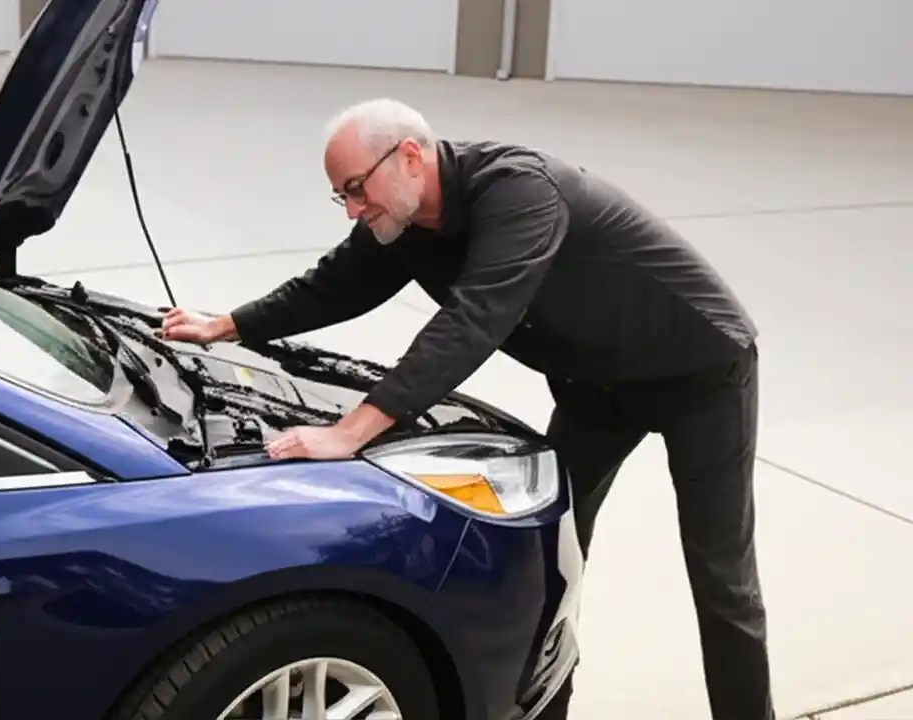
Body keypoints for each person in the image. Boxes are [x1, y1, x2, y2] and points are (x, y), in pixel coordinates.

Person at [158, 98, 772, 719]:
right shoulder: (398, 223)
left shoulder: (519, 192)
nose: (351, 208)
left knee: (721, 581)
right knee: (547, 564)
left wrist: (353, 431)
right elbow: (331, 285)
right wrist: (226, 326)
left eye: (354, 189)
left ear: (408, 157)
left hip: (700, 369)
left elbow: (472, 322)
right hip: (597, 388)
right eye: (339, 196)